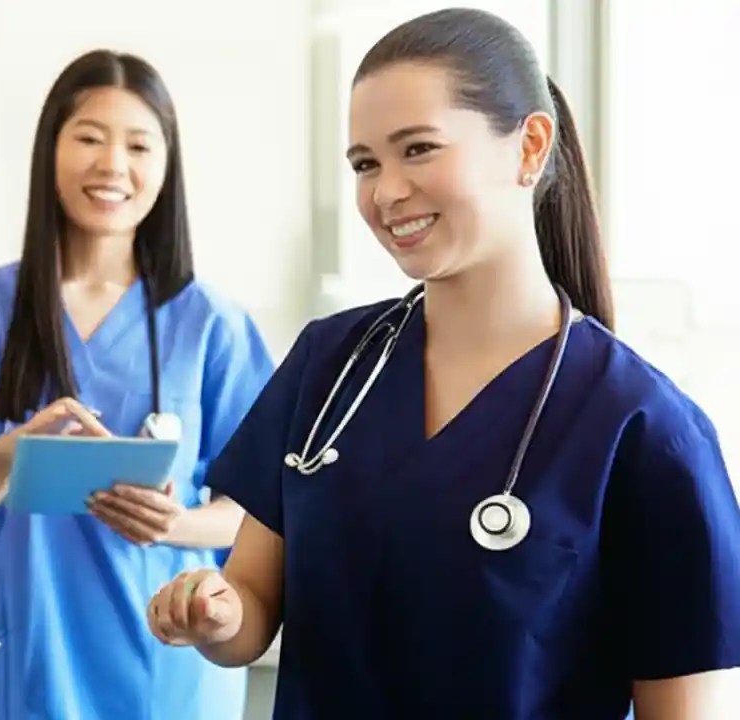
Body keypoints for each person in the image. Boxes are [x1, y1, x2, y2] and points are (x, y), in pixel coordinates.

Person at [147, 8, 740, 719]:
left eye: (418, 149)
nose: (385, 191)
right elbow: (254, 605)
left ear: (530, 146)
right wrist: (216, 615)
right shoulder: (331, 369)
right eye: (365, 163)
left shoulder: (645, 429)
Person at [0, 49, 275, 719]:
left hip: (168, 666)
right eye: (89, 137)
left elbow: (256, 511)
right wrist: (9, 454)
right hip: (25, 663)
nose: (113, 164)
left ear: (166, 166)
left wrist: (176, 524)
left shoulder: (211, 325)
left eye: (139, 144)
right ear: (49, 149)